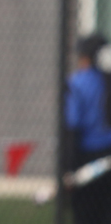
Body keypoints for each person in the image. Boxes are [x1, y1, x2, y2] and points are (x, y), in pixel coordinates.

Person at [66, 34, 111, 224]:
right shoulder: (107, 82)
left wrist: (67, 167)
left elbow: (72, 126)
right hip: (109, 157)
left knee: (85, 216)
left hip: (85, 158)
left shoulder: (77, 83)